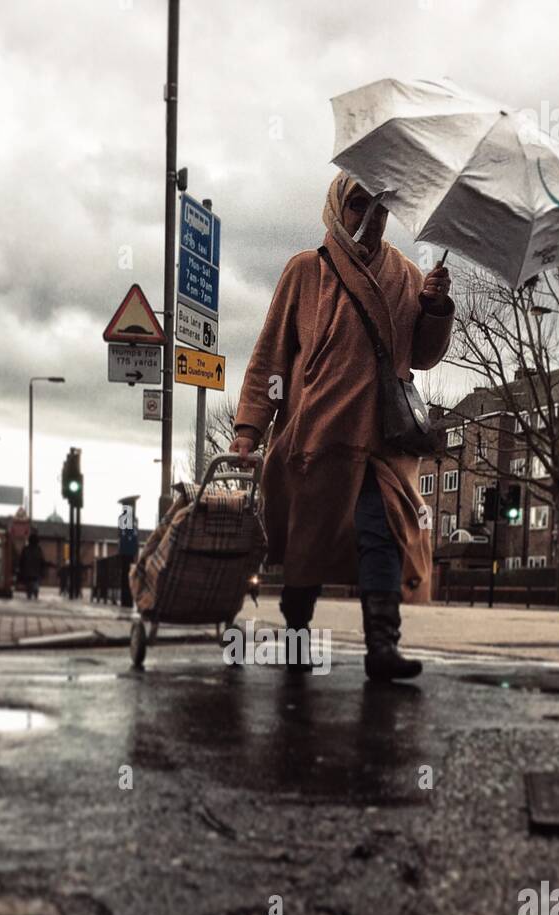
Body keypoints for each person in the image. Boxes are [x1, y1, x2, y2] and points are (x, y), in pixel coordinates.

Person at [231, 173, 454, 680]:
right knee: (309, 546)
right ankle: (296, 635)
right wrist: (249, 428)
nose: (371, 218)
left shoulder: (405, 274)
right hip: (319, 435)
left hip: (381, 439)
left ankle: (382, 647)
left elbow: (422, 356)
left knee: (383, 536)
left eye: (381, 208)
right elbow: (271, 357)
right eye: (359, 205)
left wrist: (436, 307)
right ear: (336, 206)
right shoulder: (305, 271)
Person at [16, 529, 47, 599]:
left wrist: (20, 570)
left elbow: (21, 561)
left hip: (27, 573)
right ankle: (35, 594)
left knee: (28, 589)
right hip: (36, 573)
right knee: (35, 586)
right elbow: (42, 561)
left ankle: (30, 595)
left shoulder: (25, 549)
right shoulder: (38, 549)